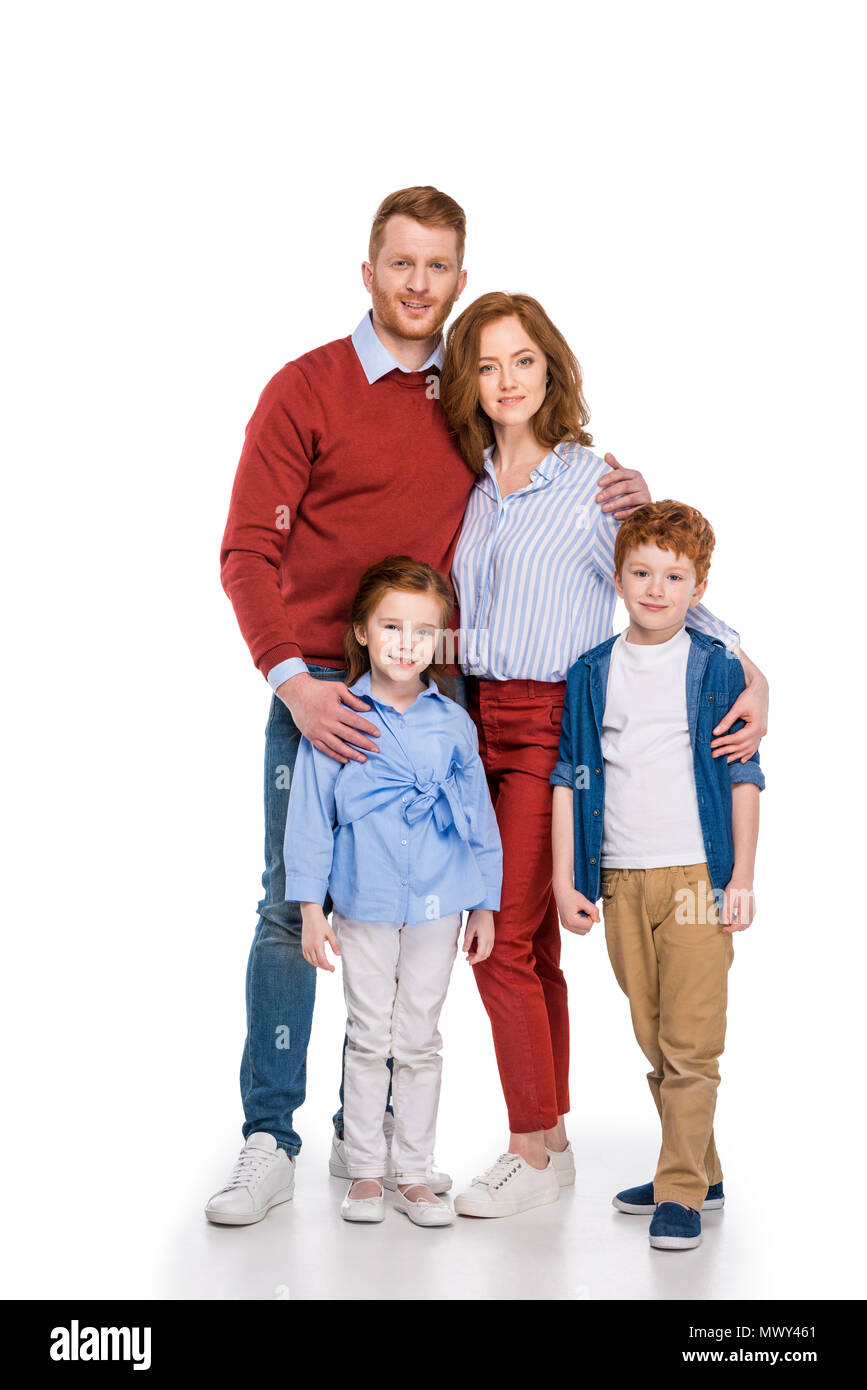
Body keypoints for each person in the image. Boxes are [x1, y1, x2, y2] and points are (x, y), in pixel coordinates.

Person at [208, 185, 682, 1227]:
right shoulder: (307, 389)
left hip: (448, 706)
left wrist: (625, 496)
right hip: (322, 691)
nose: (418, 284)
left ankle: (370, 1140)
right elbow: (248, 551)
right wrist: (294, 679)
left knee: (439, 922)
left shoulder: (469, 415)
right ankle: (268, 1137)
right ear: (368, 270)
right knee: (298, 910)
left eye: (438, 268)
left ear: (457, 281)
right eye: (400, 263)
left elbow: (571, 534)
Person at [438, 293, 769, 1219]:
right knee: (530, 944)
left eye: (525, 362)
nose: (507, 381)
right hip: (477, 721)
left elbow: (665, 597)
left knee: (497, 940)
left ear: (552, 371)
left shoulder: (594, 484)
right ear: (469, 381)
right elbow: (476, 627)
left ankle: (526, 1151)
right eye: (489, 365)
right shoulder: (470, 490)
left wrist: (754, 677)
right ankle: (551, 1138)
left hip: (551, 720)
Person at [550, 499, 764, 1250]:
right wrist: (563, 878)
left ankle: (678, 1191)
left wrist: (739, 876)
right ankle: (700, 1168)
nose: (654, 588)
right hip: (619, 877)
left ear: (697, 588)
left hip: (696, 880)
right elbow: (568, 776)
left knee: (692, 1040)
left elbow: (743, 774)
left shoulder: (716, 666)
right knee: (653, 1031)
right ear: (617, 577)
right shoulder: (590, 672)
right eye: (640, 572)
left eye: (673, 576)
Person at [284, 557, 502, 1226]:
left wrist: (484, 904)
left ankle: (413, 1172)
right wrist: (311, 909)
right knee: (367, 1032)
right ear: (360, 632)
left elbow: (477, 815)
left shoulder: (453, 726)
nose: (406, 643)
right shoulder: (336, 718)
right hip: (364, 901)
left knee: (419, 1037)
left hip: (438, 904)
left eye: (422, 630)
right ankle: (364, 1172)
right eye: (390, 626)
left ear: (440, 640)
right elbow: (310, 818)